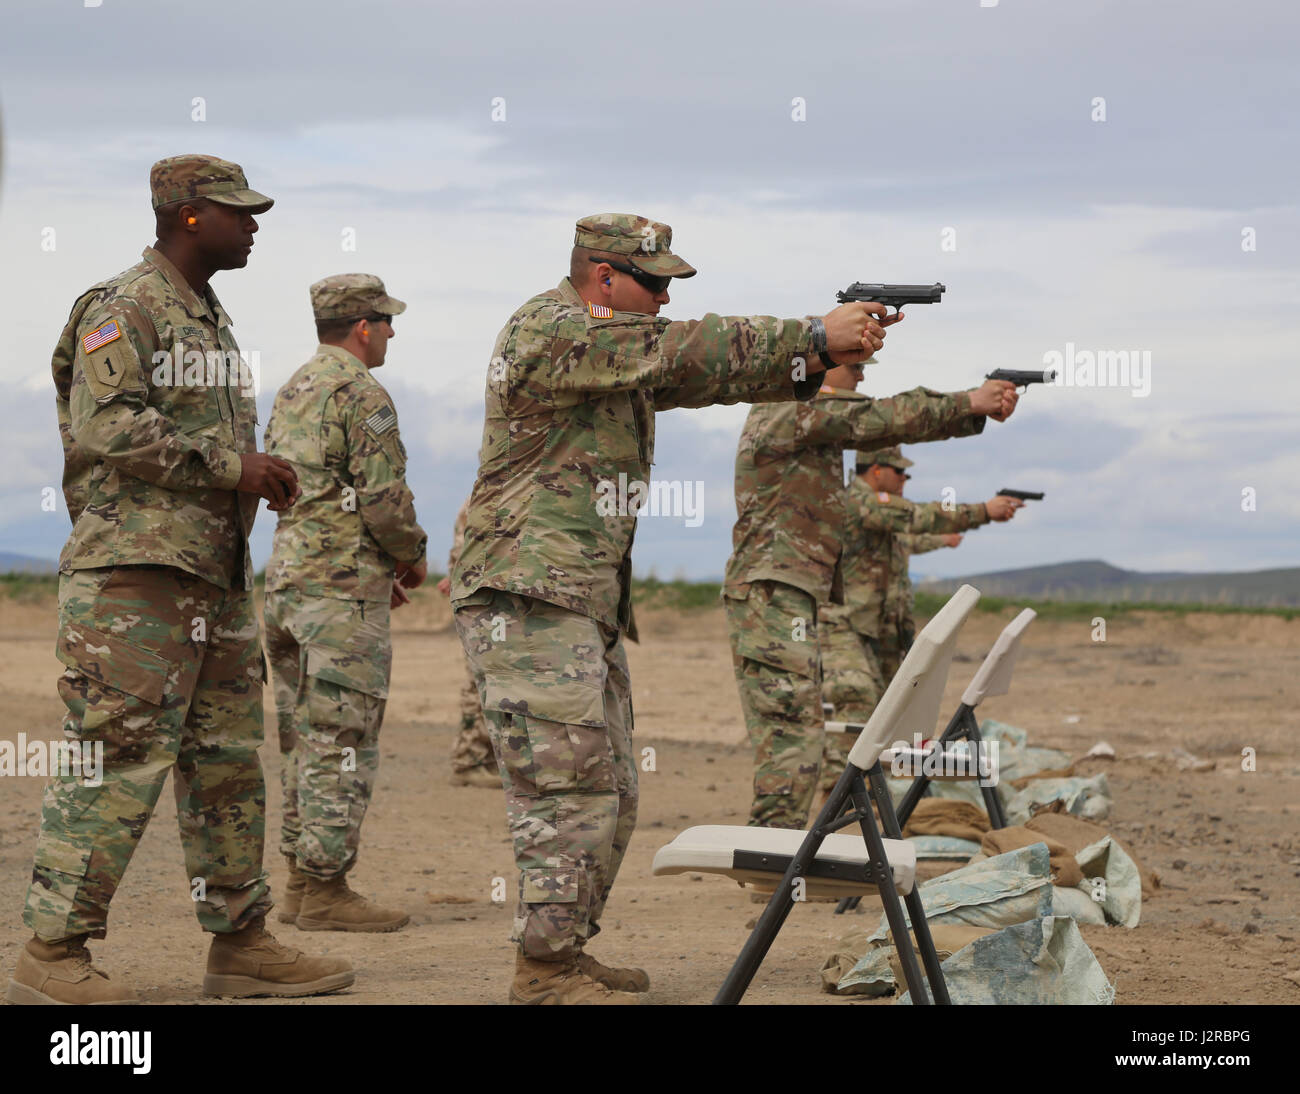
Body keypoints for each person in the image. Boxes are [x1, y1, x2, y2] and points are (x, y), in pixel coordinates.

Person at [451, 212, 884, 1004]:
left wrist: (815, 353)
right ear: (603, 276)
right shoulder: (553, 329)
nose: (663, 300)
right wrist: (812, 336)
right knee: (568, 788)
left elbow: (699, 373)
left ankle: (563, 951)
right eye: (652, 284)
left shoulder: (617, 349)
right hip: (529, 591)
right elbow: (686, 350)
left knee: (612, 785)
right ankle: (541, 974)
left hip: (577, 596)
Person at [9, 154, 354, 1004]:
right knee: (118, 755)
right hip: (136, 581)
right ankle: (52, 953)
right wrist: (232, 466)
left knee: (226, 761)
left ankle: (240, 942)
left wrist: (250, 478)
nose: (254, 225)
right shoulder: (122, 306)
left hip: (213, 577)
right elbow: (108, 428)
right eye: (239, 212)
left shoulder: (210, 318)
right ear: (190, 214)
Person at [724, 359, 1020, 831]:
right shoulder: (793, 413)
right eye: (855, 365)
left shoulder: (814, 431)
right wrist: (969, 404)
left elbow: (908, 528)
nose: (861, 376)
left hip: (833, 611)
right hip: (804, 607)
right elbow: (883, 422)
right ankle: (816, 830)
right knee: (821, 721)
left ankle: (836, 821)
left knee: (850, 721)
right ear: (878, 470)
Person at [263, 274, 428, 933]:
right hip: (340, 595)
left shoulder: (292, 389)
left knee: (303, 737)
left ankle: (303, 883)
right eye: (386, 322)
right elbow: (383, 497)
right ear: (363, 327)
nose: (391, 333)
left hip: (287, 583)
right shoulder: (364, 394)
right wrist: (409, 556)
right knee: (344, 738)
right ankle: (326, 888)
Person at [818, 448, 1021, 788]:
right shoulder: (862, 501)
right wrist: (984, 511)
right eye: (901, 473)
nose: (904, 480)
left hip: (881, 627)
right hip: (846, 623)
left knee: (890, 711)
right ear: (878, 471)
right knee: (856, 698)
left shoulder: (881, 512)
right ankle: (837, 792)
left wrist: (944, 539)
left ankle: (868, 791)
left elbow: (909, 537)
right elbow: (916, 516)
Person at [439, 497, 499, 788]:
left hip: (485, 597)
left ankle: (484, 759)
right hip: (481, 599)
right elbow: (466, 549)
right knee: (480, 682)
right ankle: (468, 761)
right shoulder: (485, 494)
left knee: (490, 682)